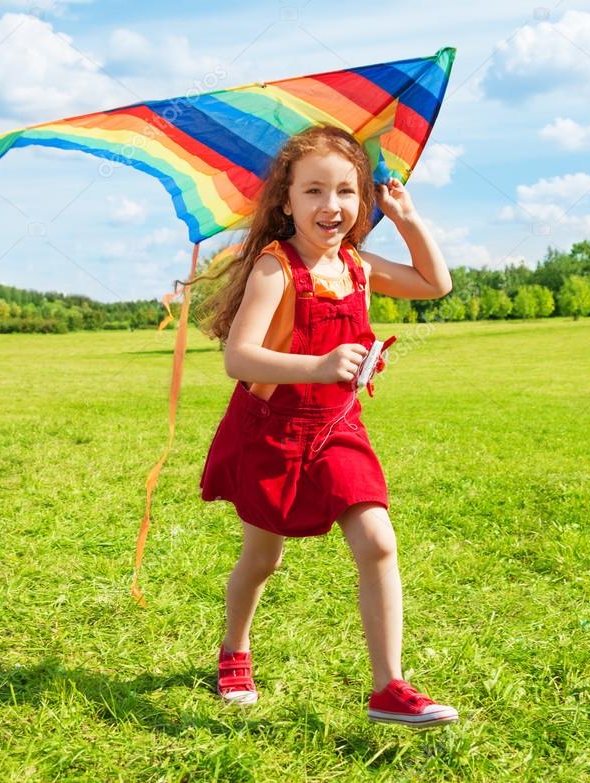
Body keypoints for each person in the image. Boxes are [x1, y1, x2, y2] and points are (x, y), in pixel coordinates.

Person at [196, 125, 457, 728]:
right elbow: (239, 357)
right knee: (262, 560)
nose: (331, 206)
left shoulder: (358, 266)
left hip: (339, 426)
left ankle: (389, 687)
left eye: (346, 191)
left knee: (378, 541)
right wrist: (317, 365)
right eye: (313, 191)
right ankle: (234, 650)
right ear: (285, 201)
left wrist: (409, 218)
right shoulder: (275, 267)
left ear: (363, 202)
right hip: (272, 430)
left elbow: (434, 284)